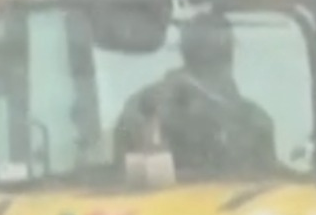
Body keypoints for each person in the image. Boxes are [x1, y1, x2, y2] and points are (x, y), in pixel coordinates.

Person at [113, 9, 281, 179]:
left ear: (183, 51)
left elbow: (119, 176)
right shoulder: (252, 120)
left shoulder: (142, 106)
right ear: (230, 55)